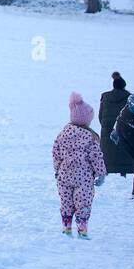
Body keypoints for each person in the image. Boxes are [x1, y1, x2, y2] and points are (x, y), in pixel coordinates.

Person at [52, 93, 106, 238]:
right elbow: (96, 156)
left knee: (66, 202)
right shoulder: (90, 137)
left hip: (64, 175)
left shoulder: (62, 134)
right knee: (83, 203)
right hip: (84, 177)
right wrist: (101, 173)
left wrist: (57, 170)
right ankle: (82, 231)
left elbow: (56, 154)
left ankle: (66, 229)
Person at [97, 72, 134, 177]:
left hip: (107, 134)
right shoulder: (130, 99)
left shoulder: (105, 97)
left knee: (108, 155)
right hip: (124, 133)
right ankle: (124, 170)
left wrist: (107, 127)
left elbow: (101, 117)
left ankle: (107, 170)